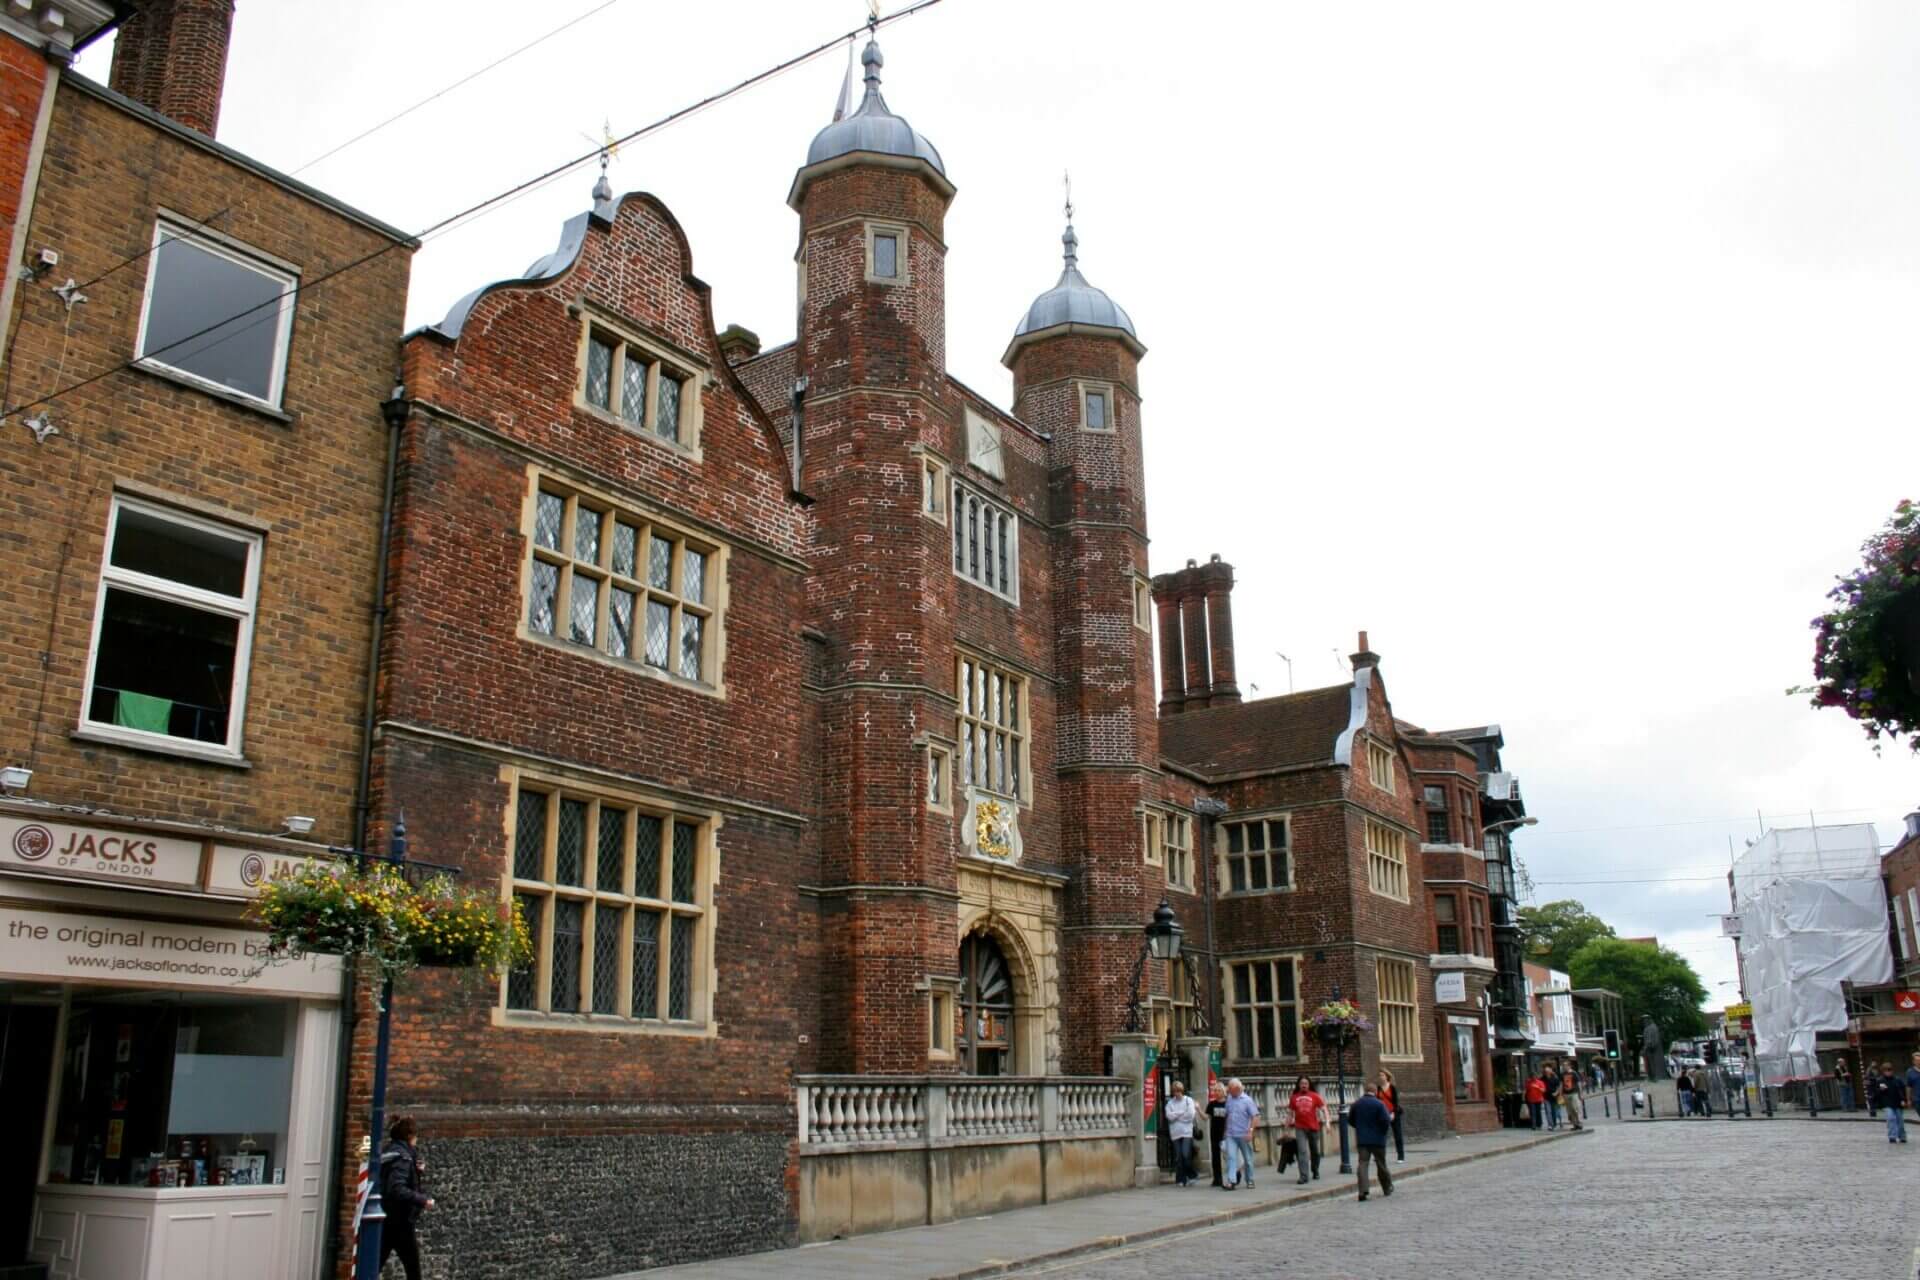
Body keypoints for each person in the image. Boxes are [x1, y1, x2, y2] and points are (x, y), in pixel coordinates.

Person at [379, 1115, 435, 1280]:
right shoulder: (403, 1157)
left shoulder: (390, 1151)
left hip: (388, 1218)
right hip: (401, 1220)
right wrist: (423, 1200)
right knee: (413, 1271)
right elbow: (397, 1188)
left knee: (375, 1264)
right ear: (410, 1136)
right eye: (416, 1136)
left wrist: (416, 1172)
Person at [1350, 1084, 1394, 1202]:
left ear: (1365, 1091)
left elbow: (1350, 1120)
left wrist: (1359, 1128)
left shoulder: (1357, 1104)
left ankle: (1362, 1191)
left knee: (1363, 1164)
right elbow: (1386, 1120)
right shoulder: (1379, 1104)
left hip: (1363, 1139)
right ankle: (1386, 1187)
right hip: (1378, 1139)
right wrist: (1382, 1132)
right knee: (1381, 1164)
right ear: (1375, 1091)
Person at [1286, 1074, 1328, 1184]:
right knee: (1302, 1151)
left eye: (1306, 1083)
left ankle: (1315, 1169)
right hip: (1300, 1127)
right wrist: (1287, 1127)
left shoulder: (1314, 1096)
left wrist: (1327, 1122)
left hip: (1313, 1127)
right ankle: (1303, 1176)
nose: (1304, 1085)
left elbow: (1324, 1109)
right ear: (1298, 1085)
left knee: (1315, 1151)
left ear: (1309, 1085)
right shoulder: (1294, 1097)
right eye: (1302, 1083)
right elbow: (1290, 1114)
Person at [1221, 1078, 1260, 1190]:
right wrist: (1225, 1131)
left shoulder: (1247, 1100)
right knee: (1231, 1157)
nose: (1228, 1091)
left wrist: (1250, 1131)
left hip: (1243, 1134)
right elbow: (1227, 1115)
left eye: (1230, 1089)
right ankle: (1231, 1181)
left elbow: (1255, 1116)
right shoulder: (1229, 1099)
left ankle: (1250, 1179)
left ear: (1237, 1089)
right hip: (1231, 1134)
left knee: (1247, 1159)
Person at [1164, 1080, 1199, 1187]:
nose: (1177, 1093)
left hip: (1186, 1132)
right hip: (1175, 1133)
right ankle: (1181, 1179)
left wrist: (1177, 1116)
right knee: (1178, 1157)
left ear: (1182, 1091)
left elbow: (1190, 1115)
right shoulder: (1170, 1103)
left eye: (1178, 1091)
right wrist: (1181, 1114)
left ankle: (1192, 1175)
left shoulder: (1188, 1100)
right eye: (1174, 1091)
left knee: (1185, 1155)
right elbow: (1169, 1116)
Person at [1869, 1061, 1908, 1144]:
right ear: (1883, 1071)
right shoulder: (1880, 1080)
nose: (1888, 1072)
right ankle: (1892, 1136)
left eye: (1890, 1070)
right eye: (1886, 1070)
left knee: (1900, 1120)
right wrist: (1880, 1090)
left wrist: (1904, 1100)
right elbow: (1875, 1093)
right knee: (1891, 1118)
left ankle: (1902, 1136)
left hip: (1897, 1102)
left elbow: (1902, 1090)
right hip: (1887, 1103)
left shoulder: (1897, 1079)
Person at [1377, 1069, 1405, 1162]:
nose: (1381, 1077)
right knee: (1380, 1136)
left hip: (1393, 1114)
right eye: (1380, 1075)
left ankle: (1401, 1156)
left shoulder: (1392, 1088)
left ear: (1387, 1077)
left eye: (1382, 1075)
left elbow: (1396, 1102)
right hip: (1382, 1115)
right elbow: (1377, 1102)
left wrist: (1393, 1113)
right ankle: (1380, 1155)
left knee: (1398, 1135)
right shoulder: (1379, 1088)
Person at [1205, 1081, 1229, 1188]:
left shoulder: (1228, 1103)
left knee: (1228, 1156)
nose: (1217, 1093)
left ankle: (1232, 1176)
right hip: (1214, 1133)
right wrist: (1198, 1109)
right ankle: (1217, 1179)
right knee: (1215, 1157)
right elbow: (1206, 1117)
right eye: (1215, 1091)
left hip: (1225, 1133)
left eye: (1219, 1090)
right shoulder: (1212, 1104)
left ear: (1223, 1092)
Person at [1560, 1067, 1584, 1131]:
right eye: (1563, 1065)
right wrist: (1560, 1094)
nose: (1564, 1067)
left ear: (1569, 1066)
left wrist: (1580, 1093)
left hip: (1574, 1093)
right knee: (1570, 1110)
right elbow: (1561, 1084)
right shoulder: (1562, 1074)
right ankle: (1575, 1125)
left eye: (1565, 1065)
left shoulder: (1574, 1073)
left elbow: (1579, 1083)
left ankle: (1579, 1122)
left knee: (1575, 1108)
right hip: (1566, 1094)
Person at [1540, 1064, 1562, 1130]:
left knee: (1554, 1111)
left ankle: (1554, 1123)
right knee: (1548, 1111)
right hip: (1546, 1097)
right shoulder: (1542, 1079)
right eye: (1545, 1071)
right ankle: (1550, 1125)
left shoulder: (1555, 1078)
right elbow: (1539, 1085)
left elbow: (1559, 1086)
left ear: (1550, 1071)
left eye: (1548, 1071)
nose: (1546, 1072)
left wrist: (1556, 1093)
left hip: (1554, 1097)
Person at [1907, 1053, 1920, 1123]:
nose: (1919, 1062)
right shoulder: (1910, 1072)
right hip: (1917, 1099)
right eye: (1917, 1060)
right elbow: (1909, 1087)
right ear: (1913, 1061)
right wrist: (1908, 1099)